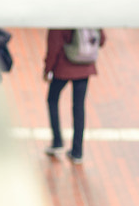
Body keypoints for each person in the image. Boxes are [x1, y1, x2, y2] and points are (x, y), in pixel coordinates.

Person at [43, 28, 106, 164]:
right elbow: (101, 40)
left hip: (63, 67)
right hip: (85, 66)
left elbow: (54, 45)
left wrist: (47, 69)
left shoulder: (61, 18)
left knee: (52, 99)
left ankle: (57, 141)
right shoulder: (89, 15)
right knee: (79, 108)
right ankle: (77, 151)